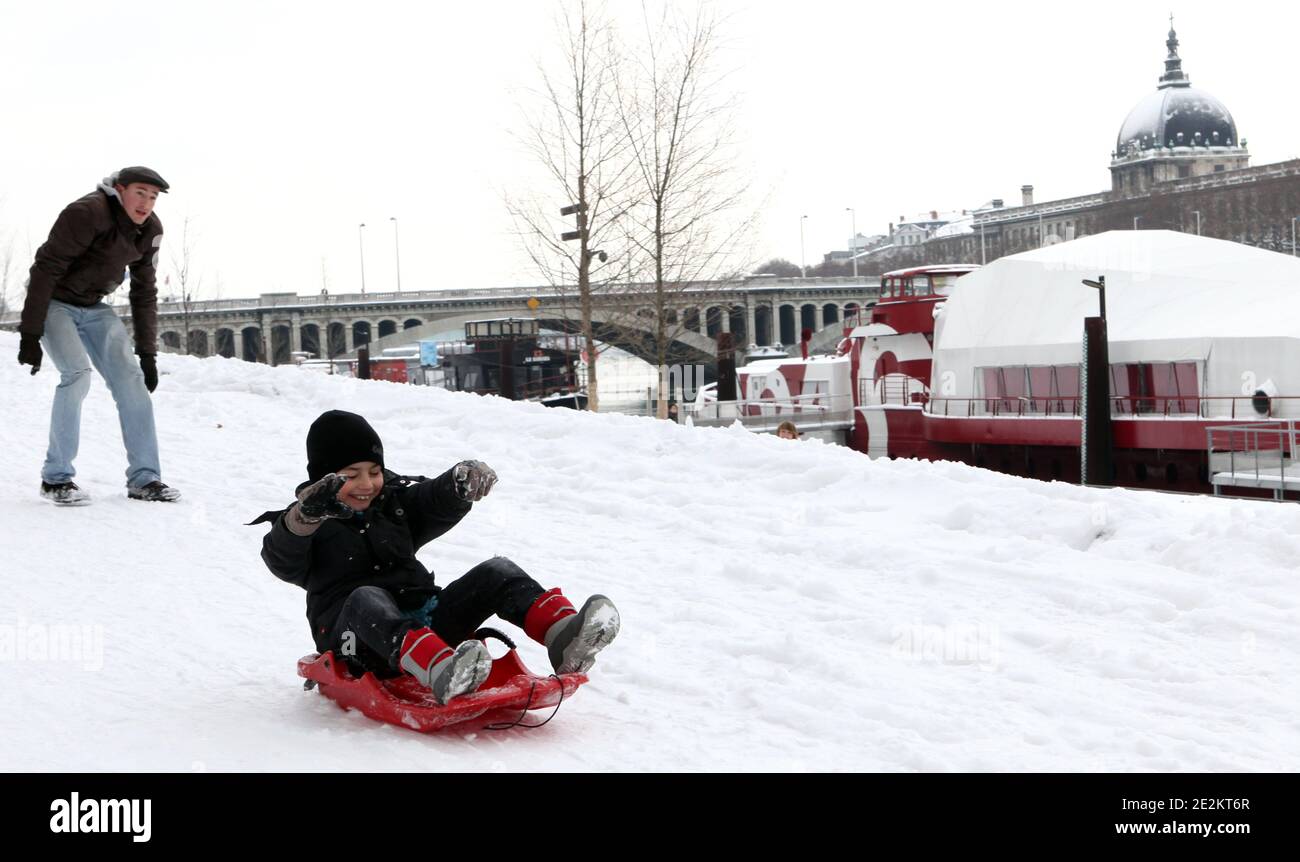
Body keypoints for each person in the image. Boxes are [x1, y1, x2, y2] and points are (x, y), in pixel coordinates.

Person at [252, 410, 620, 705]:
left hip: (424, 628)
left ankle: (563, 636)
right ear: (326, 478)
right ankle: (442, 671)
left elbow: (428, 501)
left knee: (497, 571)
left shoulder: (390, 505)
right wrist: (305, 516)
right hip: (358, 640)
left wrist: (457, 485)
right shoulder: (309, 521)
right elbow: (281, 557)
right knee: (366, 596)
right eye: (352, 476)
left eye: (375, 472)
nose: (367, 484)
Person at [17, 166, 179, 504]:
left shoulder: (149, 229)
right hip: (54, 302)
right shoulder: (86, 213)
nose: (146, 203)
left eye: (153, 197)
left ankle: (145, 478)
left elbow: (144, 290)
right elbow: (45, 268)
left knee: (132, 381)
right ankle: (56, 478)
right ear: (119, 190)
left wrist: (147, 354)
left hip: (93, 307)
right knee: (76, 374)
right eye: (139, 193)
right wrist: (30, 334)